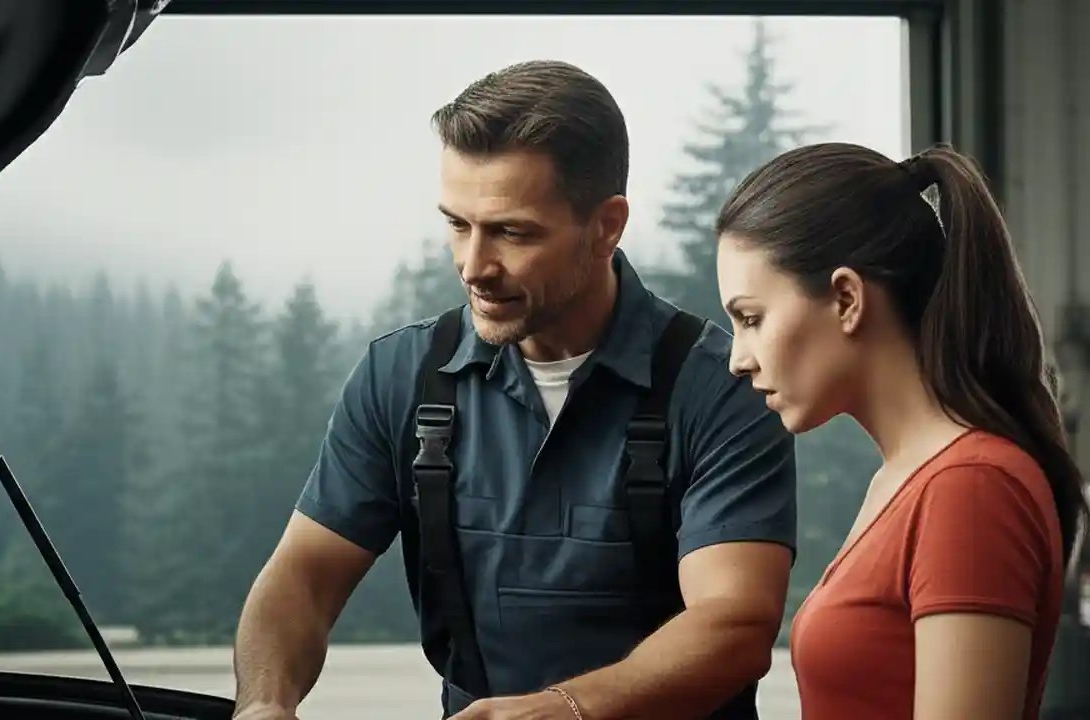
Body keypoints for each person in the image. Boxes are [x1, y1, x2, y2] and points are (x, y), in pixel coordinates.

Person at [232, 60, 797, 720]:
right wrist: (263, 704)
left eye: (511, 232)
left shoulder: (721, 386)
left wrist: (564, 711)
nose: (473, 266)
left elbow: (733, 625)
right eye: (457, 224)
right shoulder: (401, 377)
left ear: (606, 226)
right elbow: (303, 577)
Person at [713, 141, 1090, 720]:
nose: (739, 358)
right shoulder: (908, 480)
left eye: (752, 319)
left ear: (846, 298)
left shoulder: (970, 488)